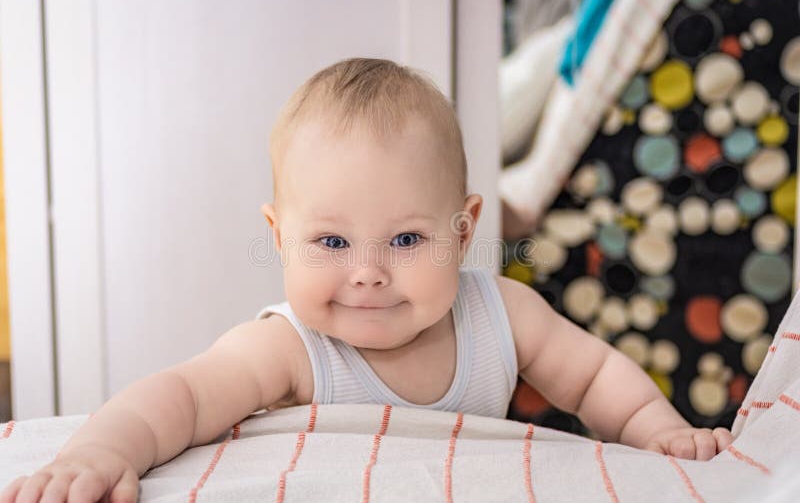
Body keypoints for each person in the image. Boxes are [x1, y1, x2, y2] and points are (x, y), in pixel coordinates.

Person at [0, 58, 733, 503]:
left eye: (408, 238)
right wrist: (102, 452)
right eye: (329, 241)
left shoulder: (501, 311)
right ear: (278, 237)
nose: (368, 272)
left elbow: (595, 376)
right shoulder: (292, 350)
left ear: (464, 231)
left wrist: (656, 434)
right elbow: (184, 397)